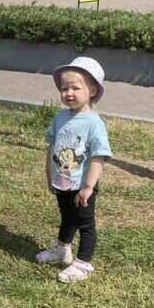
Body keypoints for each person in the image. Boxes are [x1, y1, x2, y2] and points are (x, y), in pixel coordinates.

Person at [35, 57, 112, 284]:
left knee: (86, 224)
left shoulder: (94, 123)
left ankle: (83, 263)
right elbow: (52, 147)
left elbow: (99, 156)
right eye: (64, 88)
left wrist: (89, 187)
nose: (68, 93)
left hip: (81, 185)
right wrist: (50, 175)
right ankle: (62, 250)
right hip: (62, 181)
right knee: (67, 218)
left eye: (75, 88)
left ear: (92, 90)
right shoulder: (60, 117)